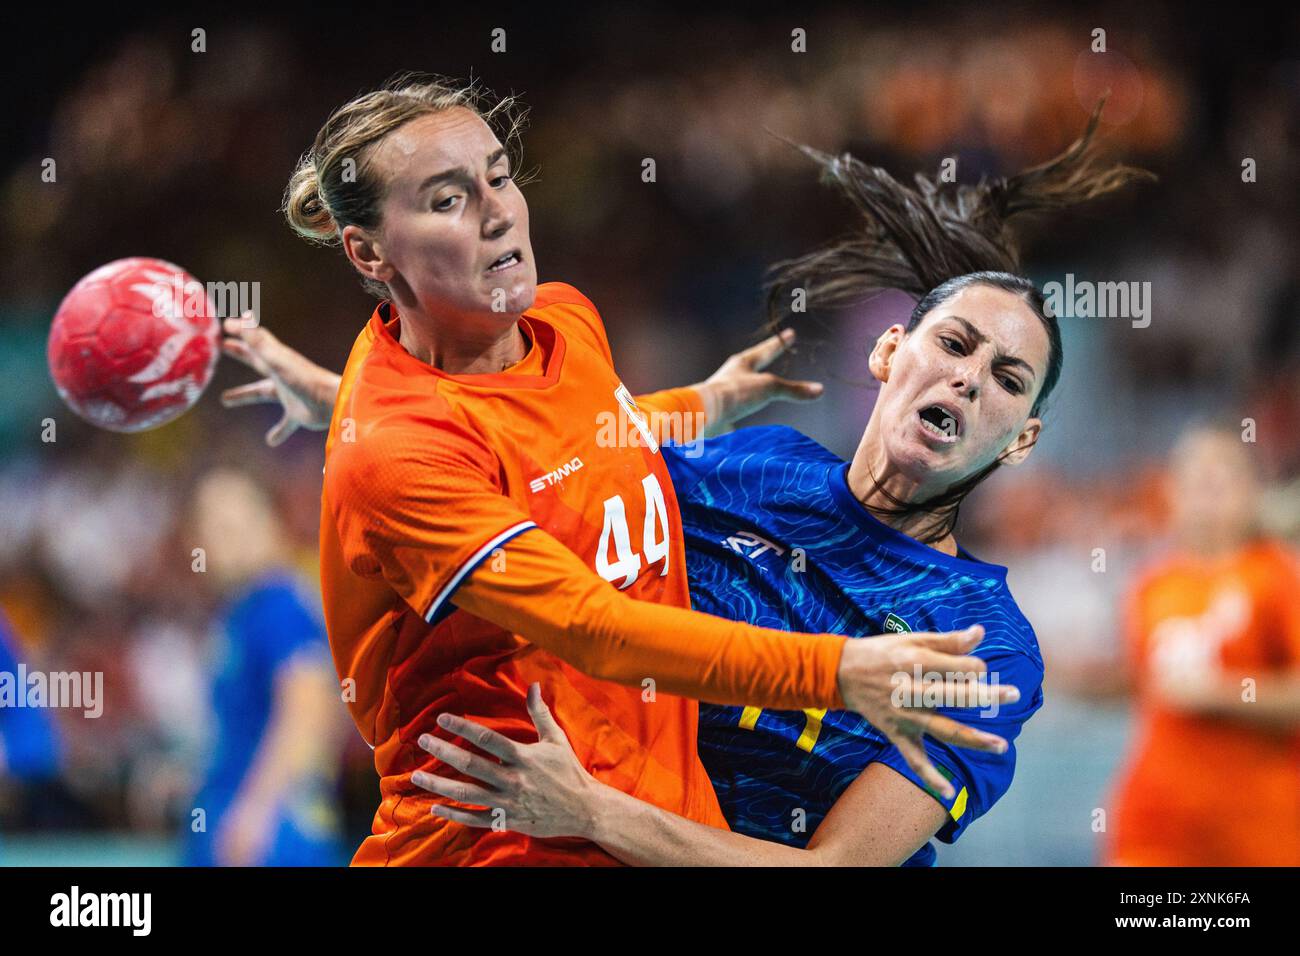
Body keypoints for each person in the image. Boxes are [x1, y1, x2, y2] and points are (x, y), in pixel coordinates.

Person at [221, 72, 1014, 866]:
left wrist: (704, 402)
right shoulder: (394, 451)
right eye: (447, 199)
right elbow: (590, 626)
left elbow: (583, 441)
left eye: (499, 176)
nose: (498, 210)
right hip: (500, 842)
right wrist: (840, 672)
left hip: (646, 831)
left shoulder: (564, 318)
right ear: (367, 250)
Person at [405, 108, 1154, 865]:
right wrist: (361, 411)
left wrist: (592, 812)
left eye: (1006, 380)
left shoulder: (981, 647)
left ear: (1021, 439)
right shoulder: (751, 467)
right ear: (888, 353)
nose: (967, 378)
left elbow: (832, 867)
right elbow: (562, 462)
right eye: (955, 345)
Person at [1104, 424, 1300, 866]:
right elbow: (1143, 690)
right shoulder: (1152, 586)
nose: (1205, 492)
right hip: (1154, 827)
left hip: (1259, 833)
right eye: (1193, 478)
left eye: (1221, 477)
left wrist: (1220, 692)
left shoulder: (1279, 578)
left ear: (1253, 490)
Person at [183, 467, 349, 867]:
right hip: (233, 815)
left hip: (267, 835)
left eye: (239, 523)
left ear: (272, 522)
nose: (228, 539)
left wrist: (257, 810)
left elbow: (308, 712)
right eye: (215, 526)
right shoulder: (242, 612)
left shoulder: (282, 606)